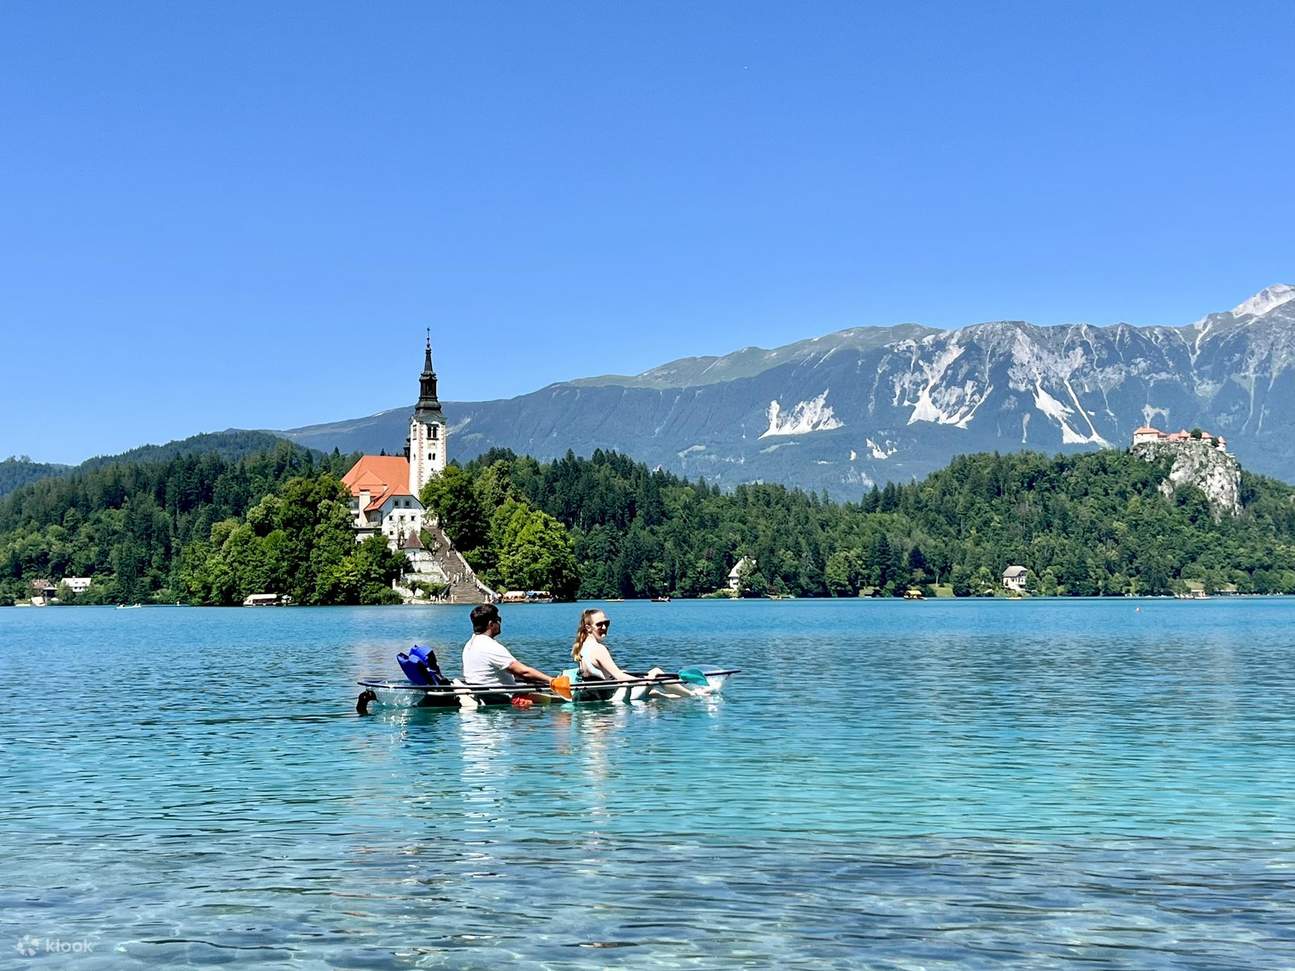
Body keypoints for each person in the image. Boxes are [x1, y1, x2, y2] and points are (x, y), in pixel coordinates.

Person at [571, 608, 703, 697]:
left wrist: (625, 675)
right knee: (656, 673)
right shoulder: (599, 649)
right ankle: (694, 695)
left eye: (607, 623)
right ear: (588, 627)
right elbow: (620, 677)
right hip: (612, 696)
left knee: (656, 693)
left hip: (598, 694)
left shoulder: (583, 647)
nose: (604, 627)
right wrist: (646, 680)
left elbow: (600, 674)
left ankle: (680, 693)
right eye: (599, 624)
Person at [462, 603, 556, 689]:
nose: (500, 623)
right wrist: (551, 680)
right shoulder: (490, 646)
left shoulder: (470, 644)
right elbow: (524, 672)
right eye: (498, 620)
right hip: (498, 697)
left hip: (478, 691)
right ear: (491, 624)